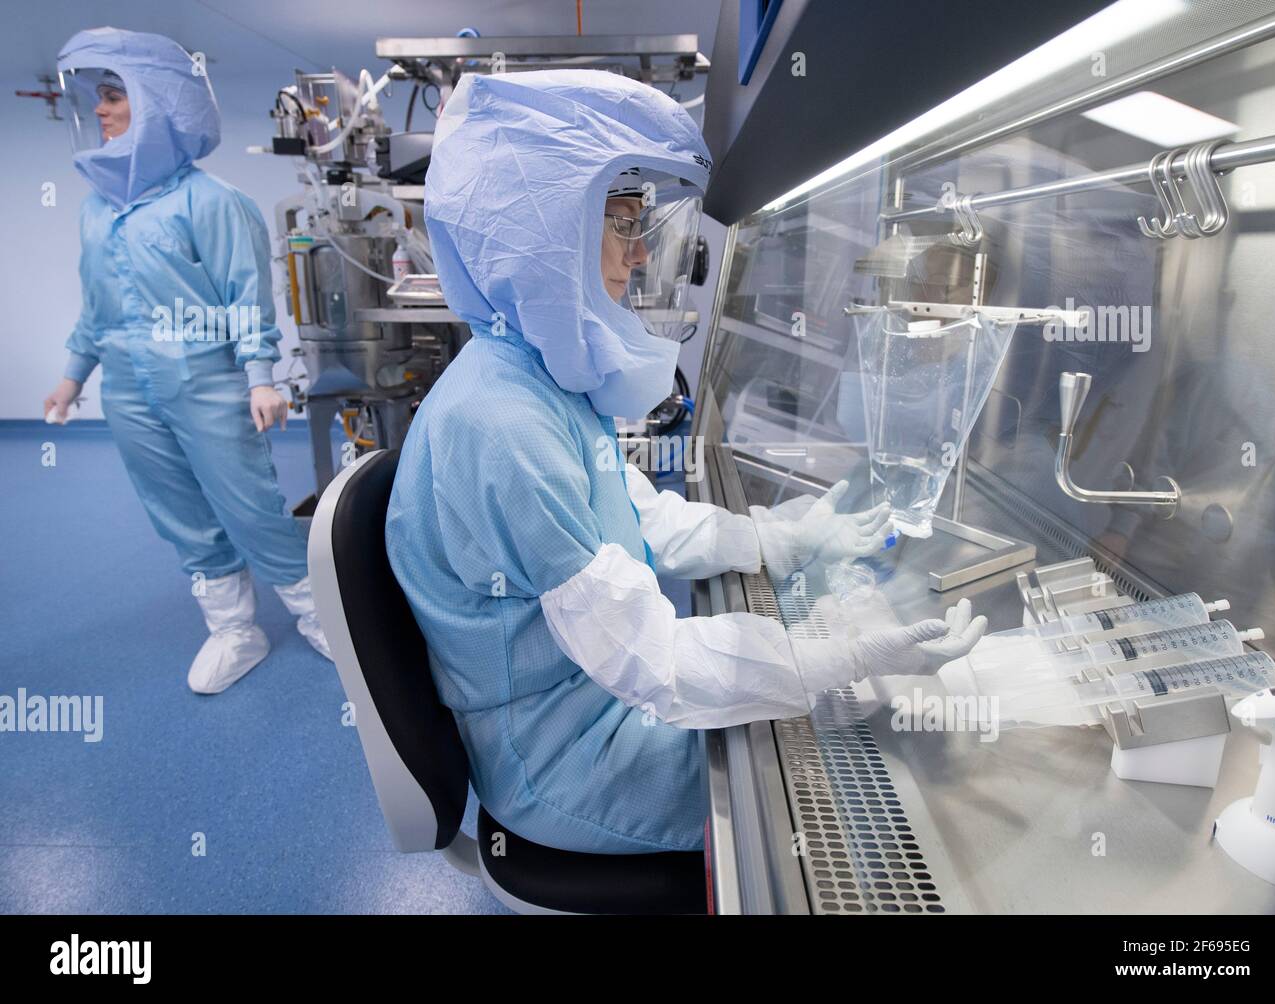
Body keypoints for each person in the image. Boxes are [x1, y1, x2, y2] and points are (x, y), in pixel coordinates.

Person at [385, 70, 987, 854]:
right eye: (621, 225)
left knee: (821, 733)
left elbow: (638, 515)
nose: (637, 258)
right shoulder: (501, 425)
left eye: (642, 227)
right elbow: (652, 659)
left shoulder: (533, 375)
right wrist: (842, 662)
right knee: (837, 805)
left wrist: (780, 538)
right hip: (563, 757)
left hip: (593, 699)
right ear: (543, 229)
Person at [43, 28, 331, 695]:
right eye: (99, 99)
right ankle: (235, 629)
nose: (103, 111)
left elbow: (245, 299)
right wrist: (71, 375)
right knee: (177, 512)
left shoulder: (212, 202)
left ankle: (321, 619)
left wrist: (260, 379)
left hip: (206, 383)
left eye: (116, 96)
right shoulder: (97, 211)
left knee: (251, 506)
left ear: (159, 103)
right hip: (128, 391)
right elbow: (97, 307)